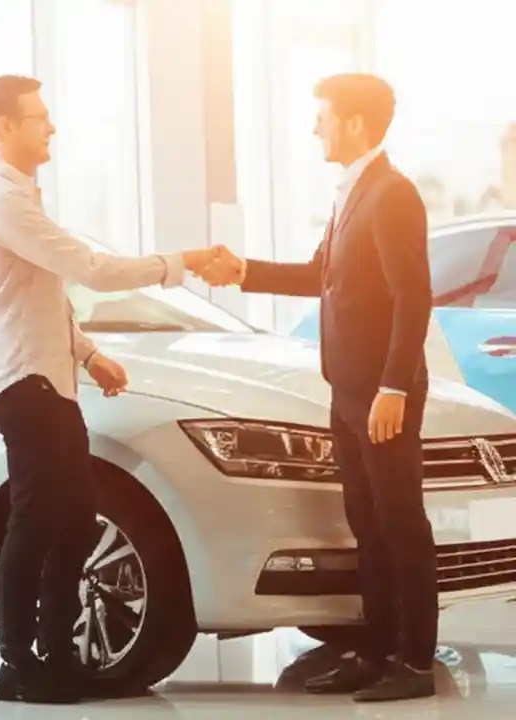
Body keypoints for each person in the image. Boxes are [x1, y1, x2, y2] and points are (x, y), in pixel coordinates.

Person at [0, 74, 218, 704]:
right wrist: (180, 262)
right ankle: (18, 663)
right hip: (23, 381)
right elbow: (91, 270)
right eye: (38, 117)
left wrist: (89, 353)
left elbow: (42, 294)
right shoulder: (6, 203)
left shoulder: (23, 199)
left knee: (76, 521)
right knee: (37, 520)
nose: (50, 126)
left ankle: (56, 654)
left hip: (46, 377)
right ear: (6, 126)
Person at [197, 73, 436, 703]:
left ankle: (413, 662)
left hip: (382, 396)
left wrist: (395, 389)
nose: (315, 128)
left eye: (324, 116)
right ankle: (376, 649)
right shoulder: (352, 195)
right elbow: (318, 276)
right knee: (367, 524)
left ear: (355, 122)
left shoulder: (393, 194)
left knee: (400, 522)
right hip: (348, 390)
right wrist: (242, 271)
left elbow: (415, 297)